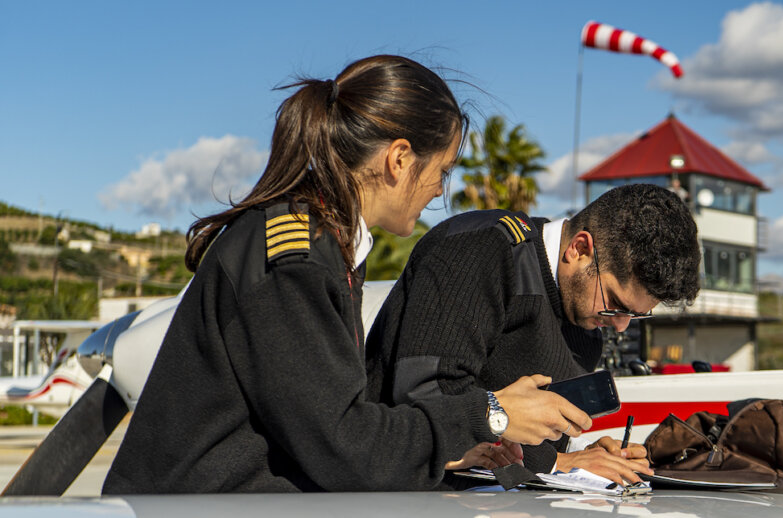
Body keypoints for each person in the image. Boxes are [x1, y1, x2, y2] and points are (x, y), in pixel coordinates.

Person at [103, 55, 591, 494]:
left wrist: (450, 448)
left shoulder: (324, 243)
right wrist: (489, 413)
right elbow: (345, 448)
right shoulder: (296, 261)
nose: (440, 192)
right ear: (399, 160)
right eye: (441, 170)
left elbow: (324, 431)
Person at [365, 183, 701, 486]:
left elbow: (534, 443)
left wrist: (586, 457)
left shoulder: (587, 319)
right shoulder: (481, 250)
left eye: (635, 316)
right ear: (580, 249)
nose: (620, 326)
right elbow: (424, 395)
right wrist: (557, 462)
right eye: (615, 304)